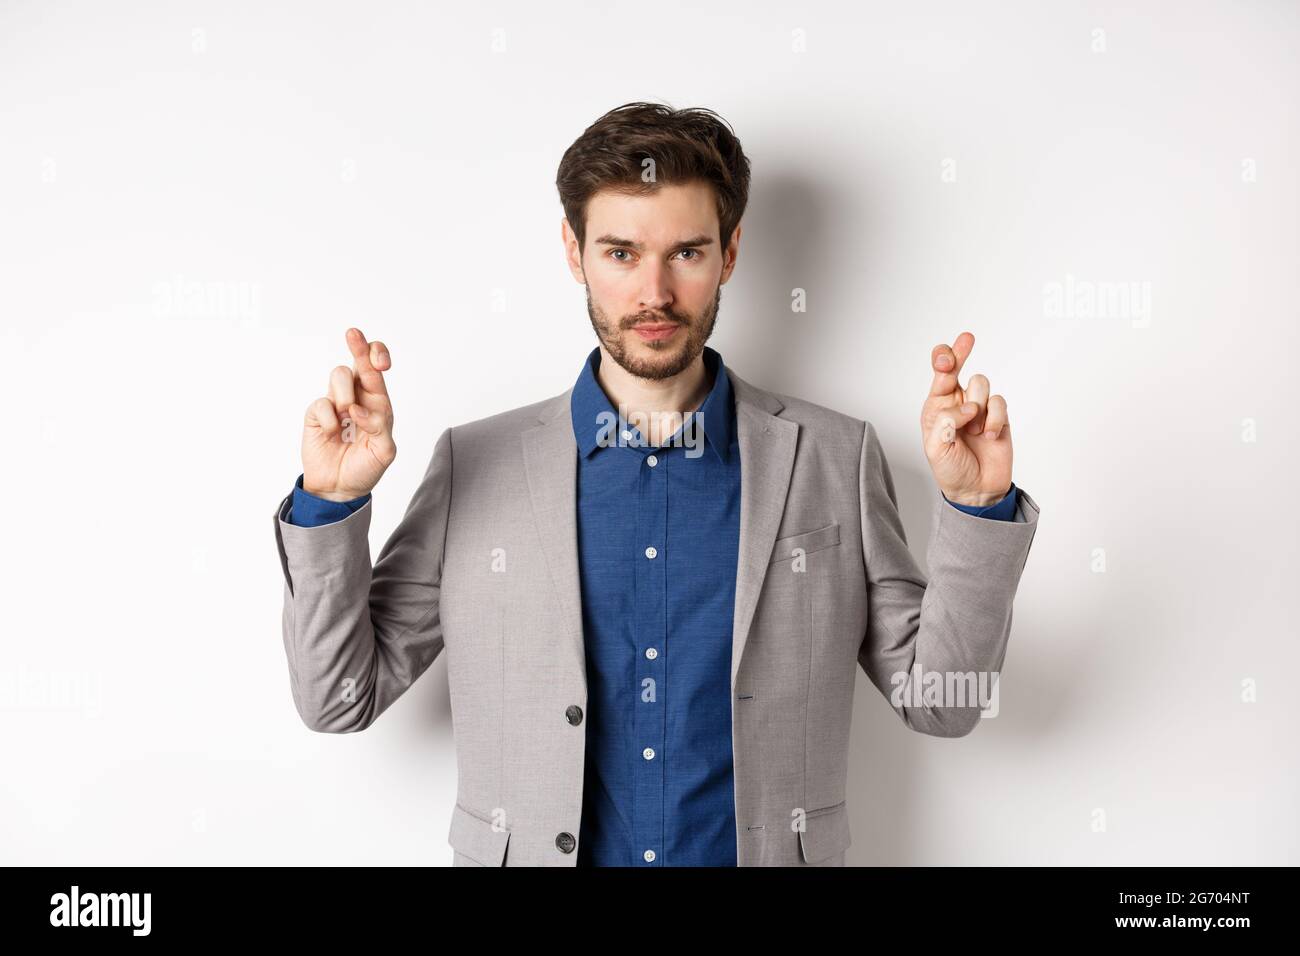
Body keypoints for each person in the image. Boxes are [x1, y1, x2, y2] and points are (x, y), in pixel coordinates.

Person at [272, 101, 1040, 867]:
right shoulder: (475, 464)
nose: (654, 294)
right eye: (620, 253)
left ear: (730, 254)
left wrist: (977, 508)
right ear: (574, 253)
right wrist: (332, 503)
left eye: (686, 253)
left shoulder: (835, 458)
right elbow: (338, 698)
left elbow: (945, 705)